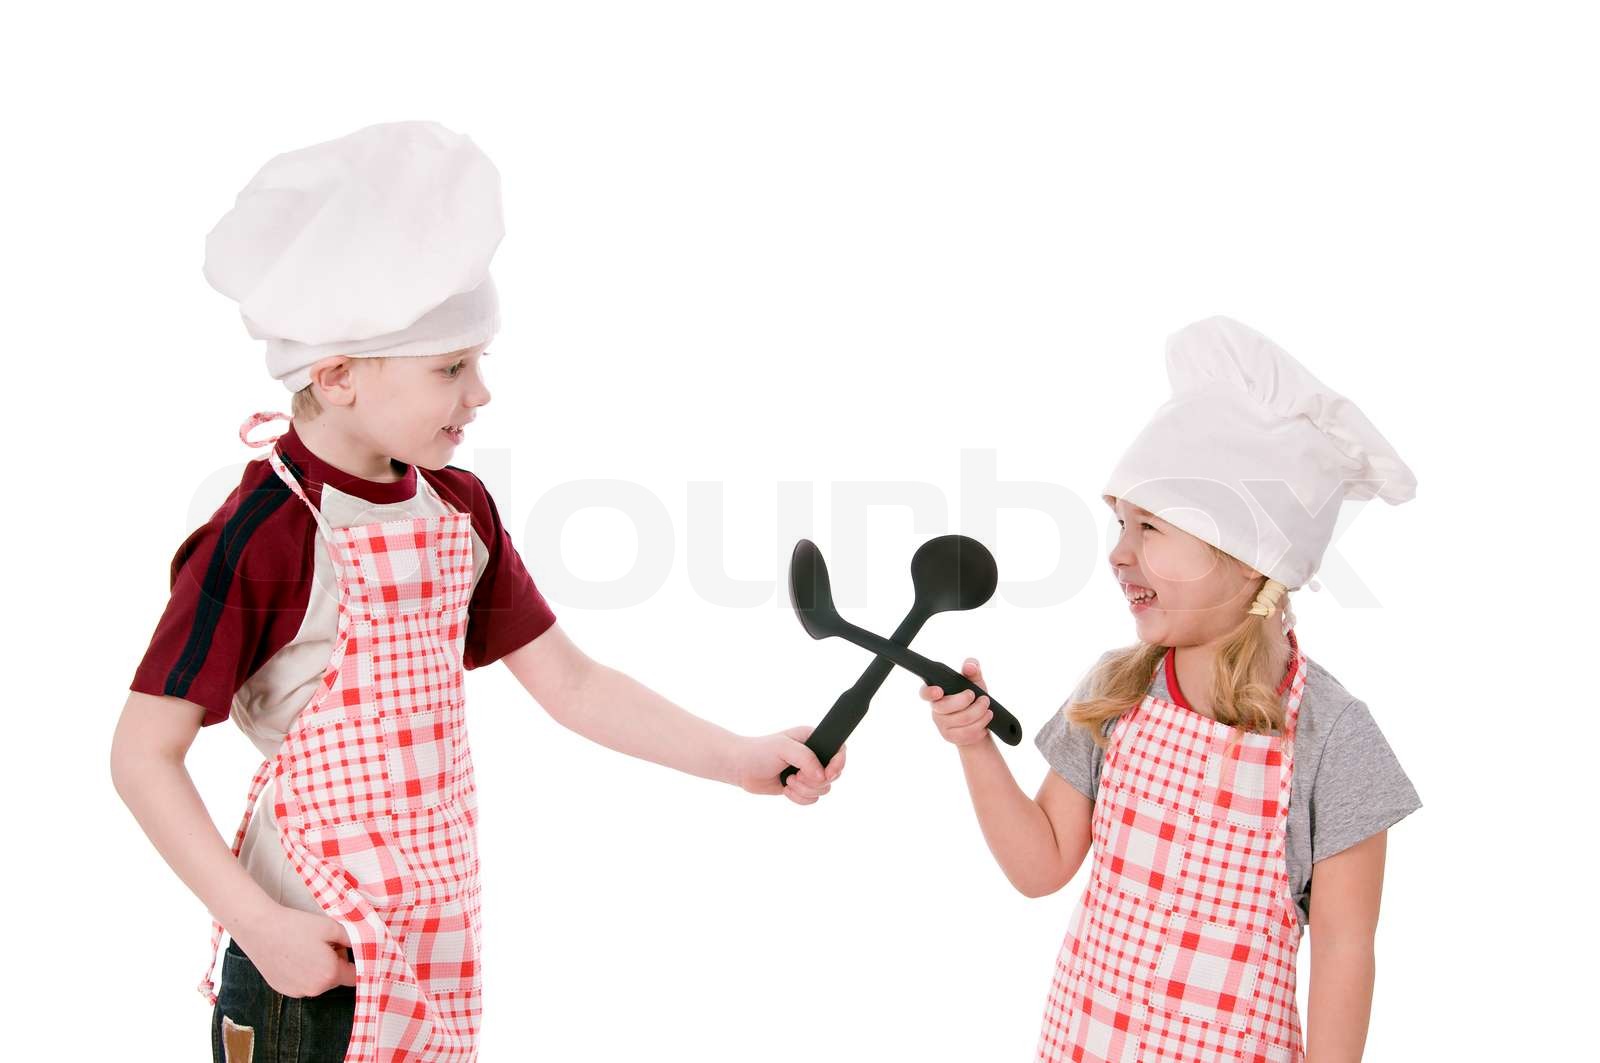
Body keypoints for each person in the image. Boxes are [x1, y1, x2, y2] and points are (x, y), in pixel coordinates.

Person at [108, 120, 845, 1063]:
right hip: (313, 948)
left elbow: (572, 684)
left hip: (430, 934)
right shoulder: (264, 535)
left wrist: (737, 756)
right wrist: (258, 924)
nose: (481, 392)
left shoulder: (456, 508)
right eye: (452, 367)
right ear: (337, 376)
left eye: (479, 361)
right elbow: (142, 754)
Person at [920, 316, 1421, 1062]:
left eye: (1150, 526)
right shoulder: (1117, 689)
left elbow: (1346, 951)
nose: (1118, 551)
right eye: (1120, 521)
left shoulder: (1331, 735)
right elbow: (1042, 862)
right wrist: (973, 747)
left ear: (1248, 557)